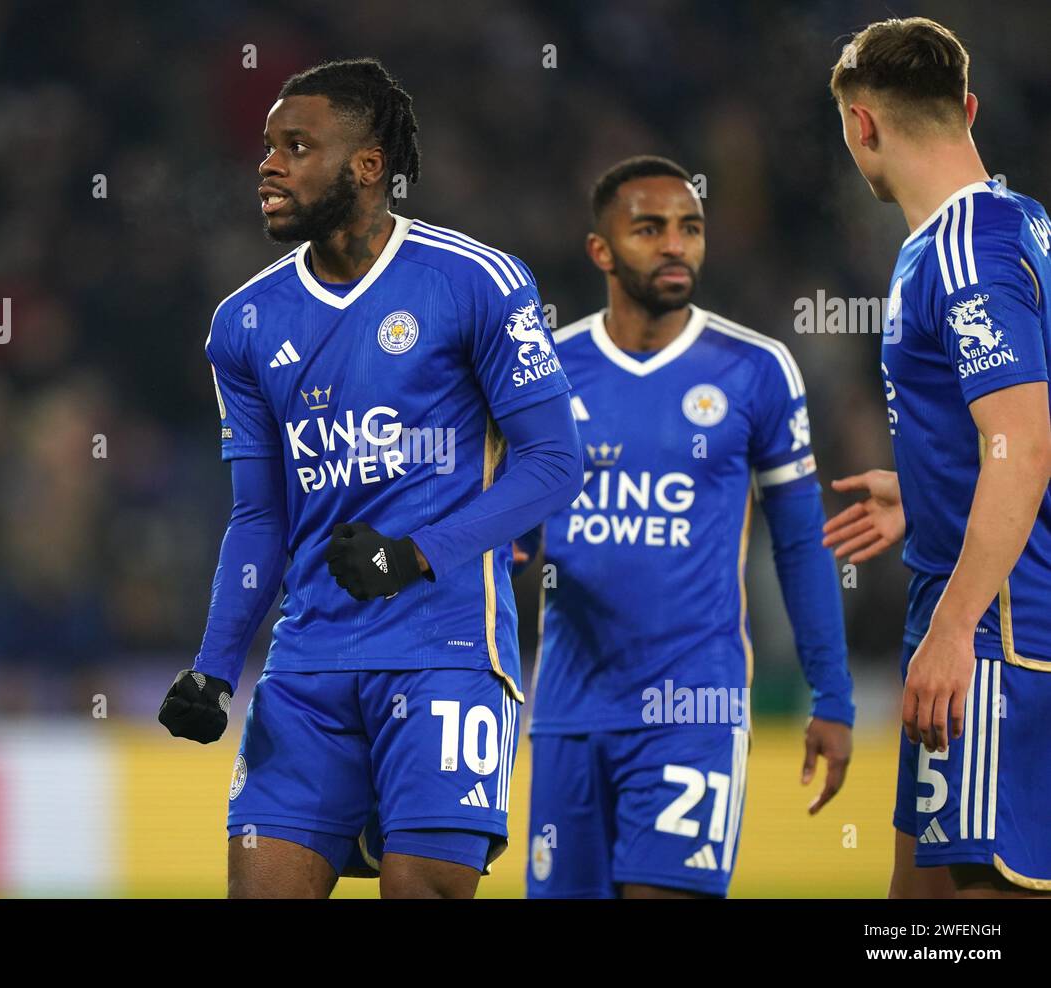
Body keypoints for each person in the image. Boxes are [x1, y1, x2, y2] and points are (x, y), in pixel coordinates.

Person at [157, 58, 582, 899]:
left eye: (296, 145)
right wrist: (213, 666)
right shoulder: (243, 323)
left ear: (367, 165)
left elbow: (553, 464)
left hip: (447, 654)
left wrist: (413, 555)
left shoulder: (476, 282)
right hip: (307, 665)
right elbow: (259, 519)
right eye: (268, 146)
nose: (267, 164)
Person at [518, 156, 853, 898]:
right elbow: (501, 529)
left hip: (693, 708)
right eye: (649, 229)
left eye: (690, 228)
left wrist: (832, 695)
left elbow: (801, 544)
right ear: (601, 251)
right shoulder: (545, 372)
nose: (676, 245)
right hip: (568, 711)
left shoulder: (757, 370)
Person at [827, 16, 1051, 897]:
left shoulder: (963, 254)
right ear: (968, 107)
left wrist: (955, 631)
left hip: (999, 635)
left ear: (861, 126)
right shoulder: (1025, 227)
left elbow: (1024, 443)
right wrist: (925, 494)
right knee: (918, 902)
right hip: (991, 617)